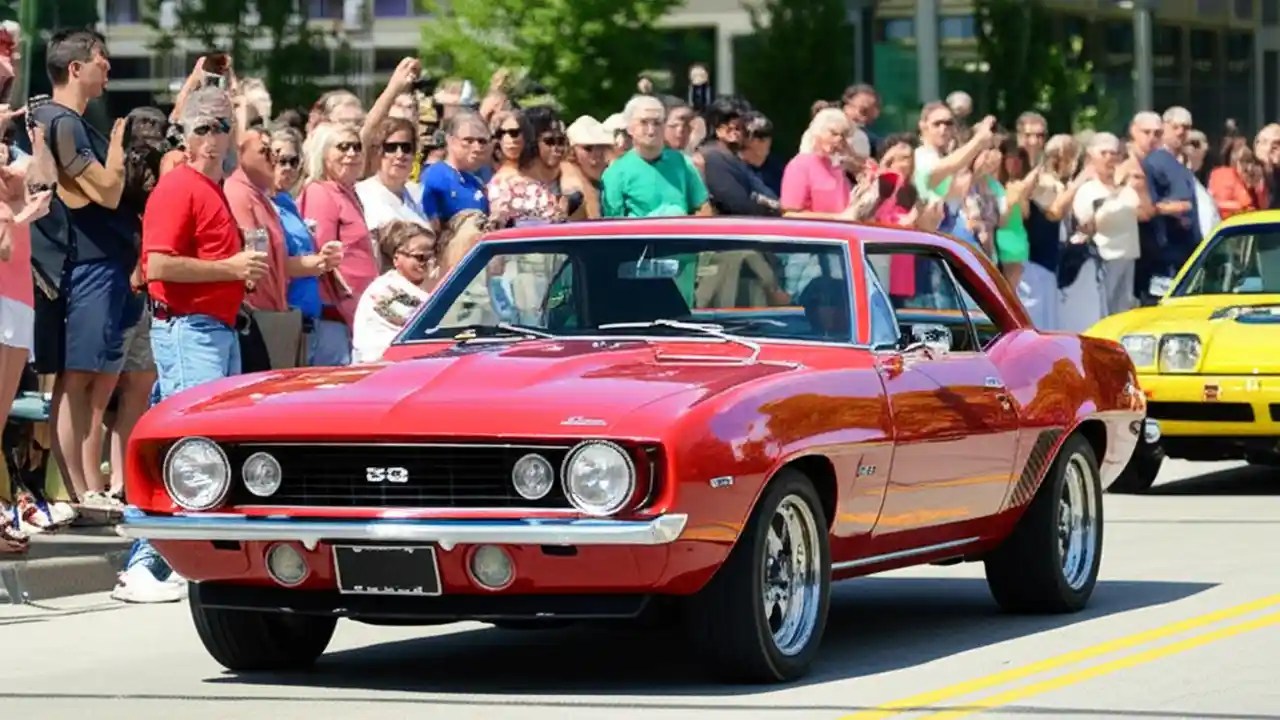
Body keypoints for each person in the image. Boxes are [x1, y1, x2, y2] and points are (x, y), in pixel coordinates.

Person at [113, 85, 268, 604]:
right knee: (189, 447)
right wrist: (228, 269)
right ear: (185, 135)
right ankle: (144, 564)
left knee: (194, 447)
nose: (211, 137)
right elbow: (155, 266)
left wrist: (231, 278)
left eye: (221, 127)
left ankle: (165, 560)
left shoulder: (211, 187)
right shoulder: (180, 187)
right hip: (189, 328)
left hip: (211, 328)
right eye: (201, 127)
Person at [27, 29, 132, 511]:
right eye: (101, 61)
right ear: (75, 68)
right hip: (82, 265)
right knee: (76, 379)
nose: (107, 69)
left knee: (88, 380)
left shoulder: (64, 120)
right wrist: (117, 145)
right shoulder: (60, 121)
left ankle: (80, 487)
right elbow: (107, 191)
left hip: (98, 265)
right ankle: (69, 489)